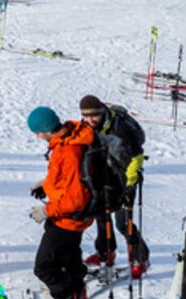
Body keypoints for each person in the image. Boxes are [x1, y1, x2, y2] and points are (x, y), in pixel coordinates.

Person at [26, 106, 97, 299]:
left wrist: (47, 211)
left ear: (47, 130)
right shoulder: (66, 140)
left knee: (44, 267)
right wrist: (46, 185)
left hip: (67, 220)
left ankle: (66, 294)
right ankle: (77, 290)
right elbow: (66, 179)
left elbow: (76, 199)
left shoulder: (69, 151)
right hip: (68, 218)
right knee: (69, 259)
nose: (38, 137)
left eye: (38, 133)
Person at [77, 95, 148, 278]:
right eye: (86, 116)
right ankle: (105, 253)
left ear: (101, 112)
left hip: (123, 177)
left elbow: (136, 156)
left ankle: (140, 258)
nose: (90, 120)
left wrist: (130, 184)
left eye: (94, 116)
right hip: (102, 176)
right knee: (102, 216)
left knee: (124, 222)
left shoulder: (119, 127)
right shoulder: (85, 127)